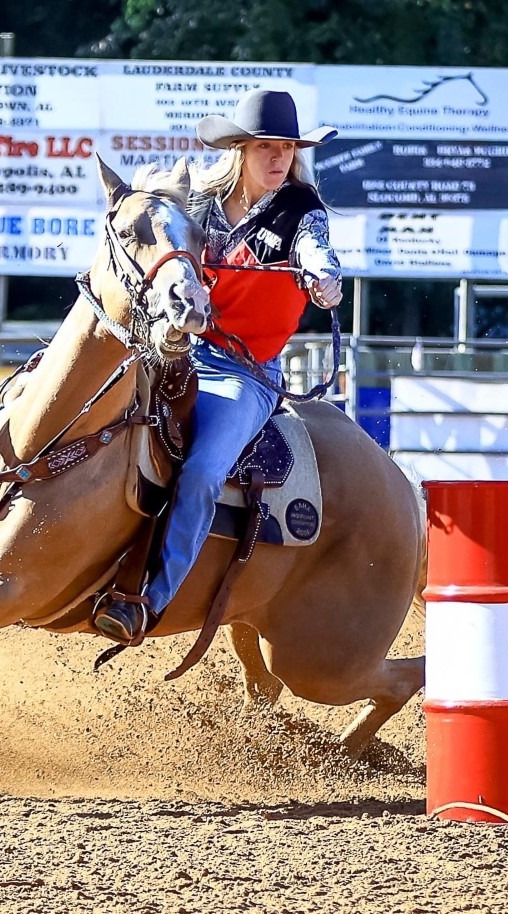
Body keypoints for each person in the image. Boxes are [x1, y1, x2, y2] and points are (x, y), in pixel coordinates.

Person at [93, 88, 344, 646]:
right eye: (266, 147)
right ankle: (5, 489)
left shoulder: (302, 212)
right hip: (171, 348)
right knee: (83, 396)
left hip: (243, 371)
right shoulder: (199, 205)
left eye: (287, 148)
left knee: (204, 471)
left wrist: (324, 279)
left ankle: (151, 599)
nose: (279, 159)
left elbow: (316, 252)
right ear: (240, 151)